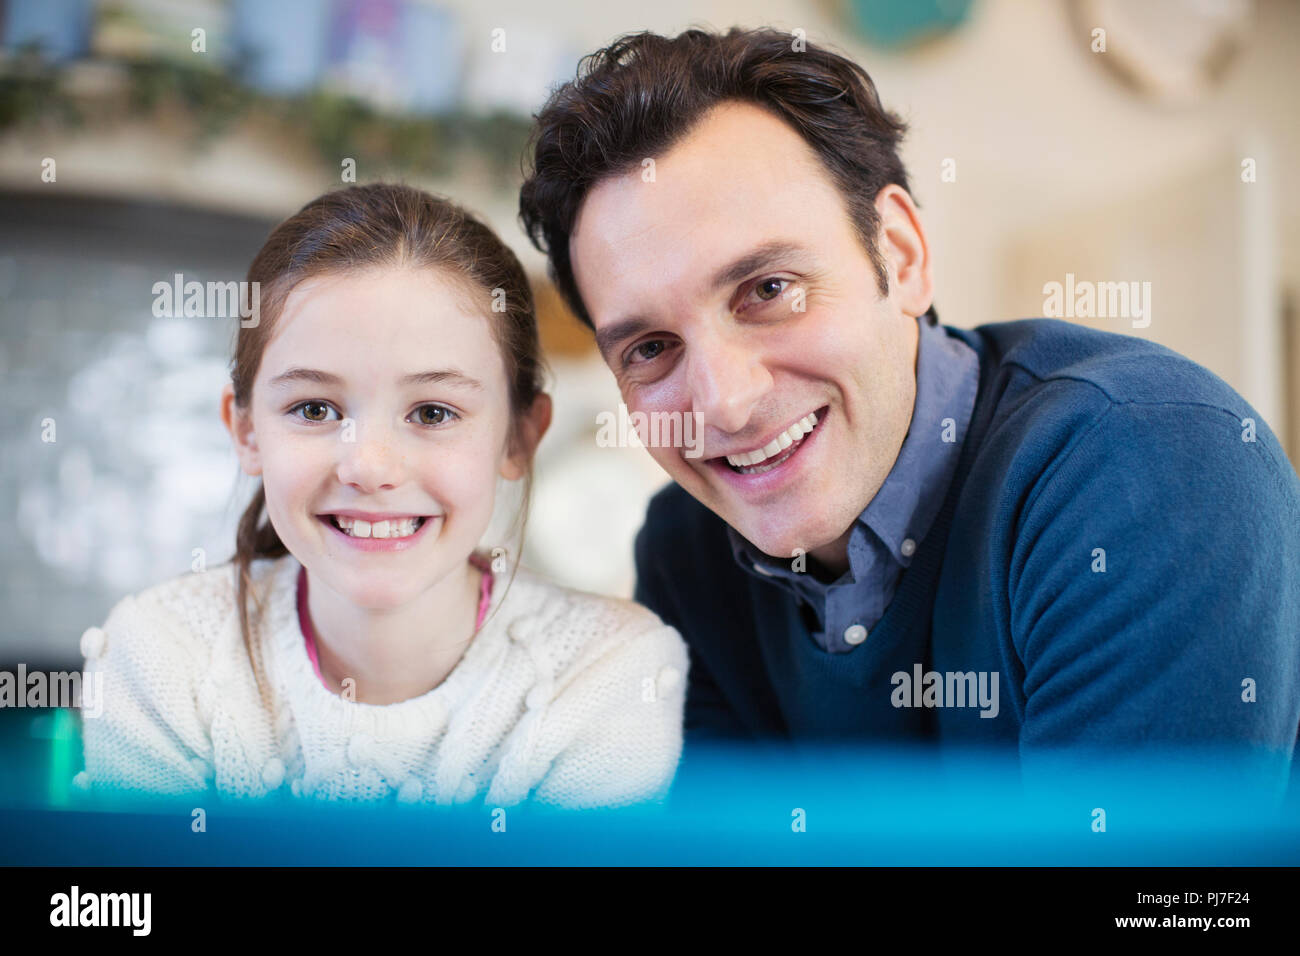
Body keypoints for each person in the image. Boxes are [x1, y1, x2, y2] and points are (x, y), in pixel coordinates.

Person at [518, 28, 1300, 785]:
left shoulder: (1149, 465)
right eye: (650, 348)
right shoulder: (686, 555)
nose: (725, 403)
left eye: (769, 290)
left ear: (901, 253)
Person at [79, 183, 688, 808]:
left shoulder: (607, 672)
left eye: (431, 412)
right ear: (246, 430)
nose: (369, 467)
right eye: (314, 408)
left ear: (519, 437)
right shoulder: (162, 653)